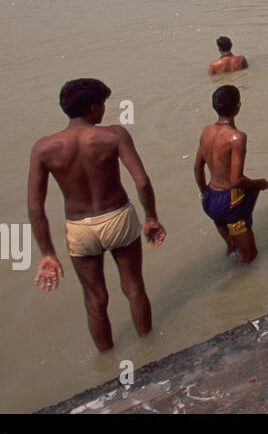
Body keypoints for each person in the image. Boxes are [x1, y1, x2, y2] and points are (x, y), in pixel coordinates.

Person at [28, 78, 166, 351]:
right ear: (93, 108)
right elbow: (141, 181)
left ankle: (106, 361)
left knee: (94, 299)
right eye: (103, 104)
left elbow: (35, 208)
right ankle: (151, 353)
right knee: (134, 288)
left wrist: (47, 252)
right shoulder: (113, 135)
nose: (104, 110)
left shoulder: (43, 148)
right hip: (117, 217)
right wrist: (150, 217)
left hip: (79, 227)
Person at [194, 85, 268, 263]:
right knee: (249, 256)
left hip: (210, 197)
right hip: (229, 202)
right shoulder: (237, 137)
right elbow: (235, 180)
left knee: (232, 247)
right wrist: (259, 183)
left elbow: (197, 167)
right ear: (238, 106)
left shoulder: (206, 132)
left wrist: (203, 191)